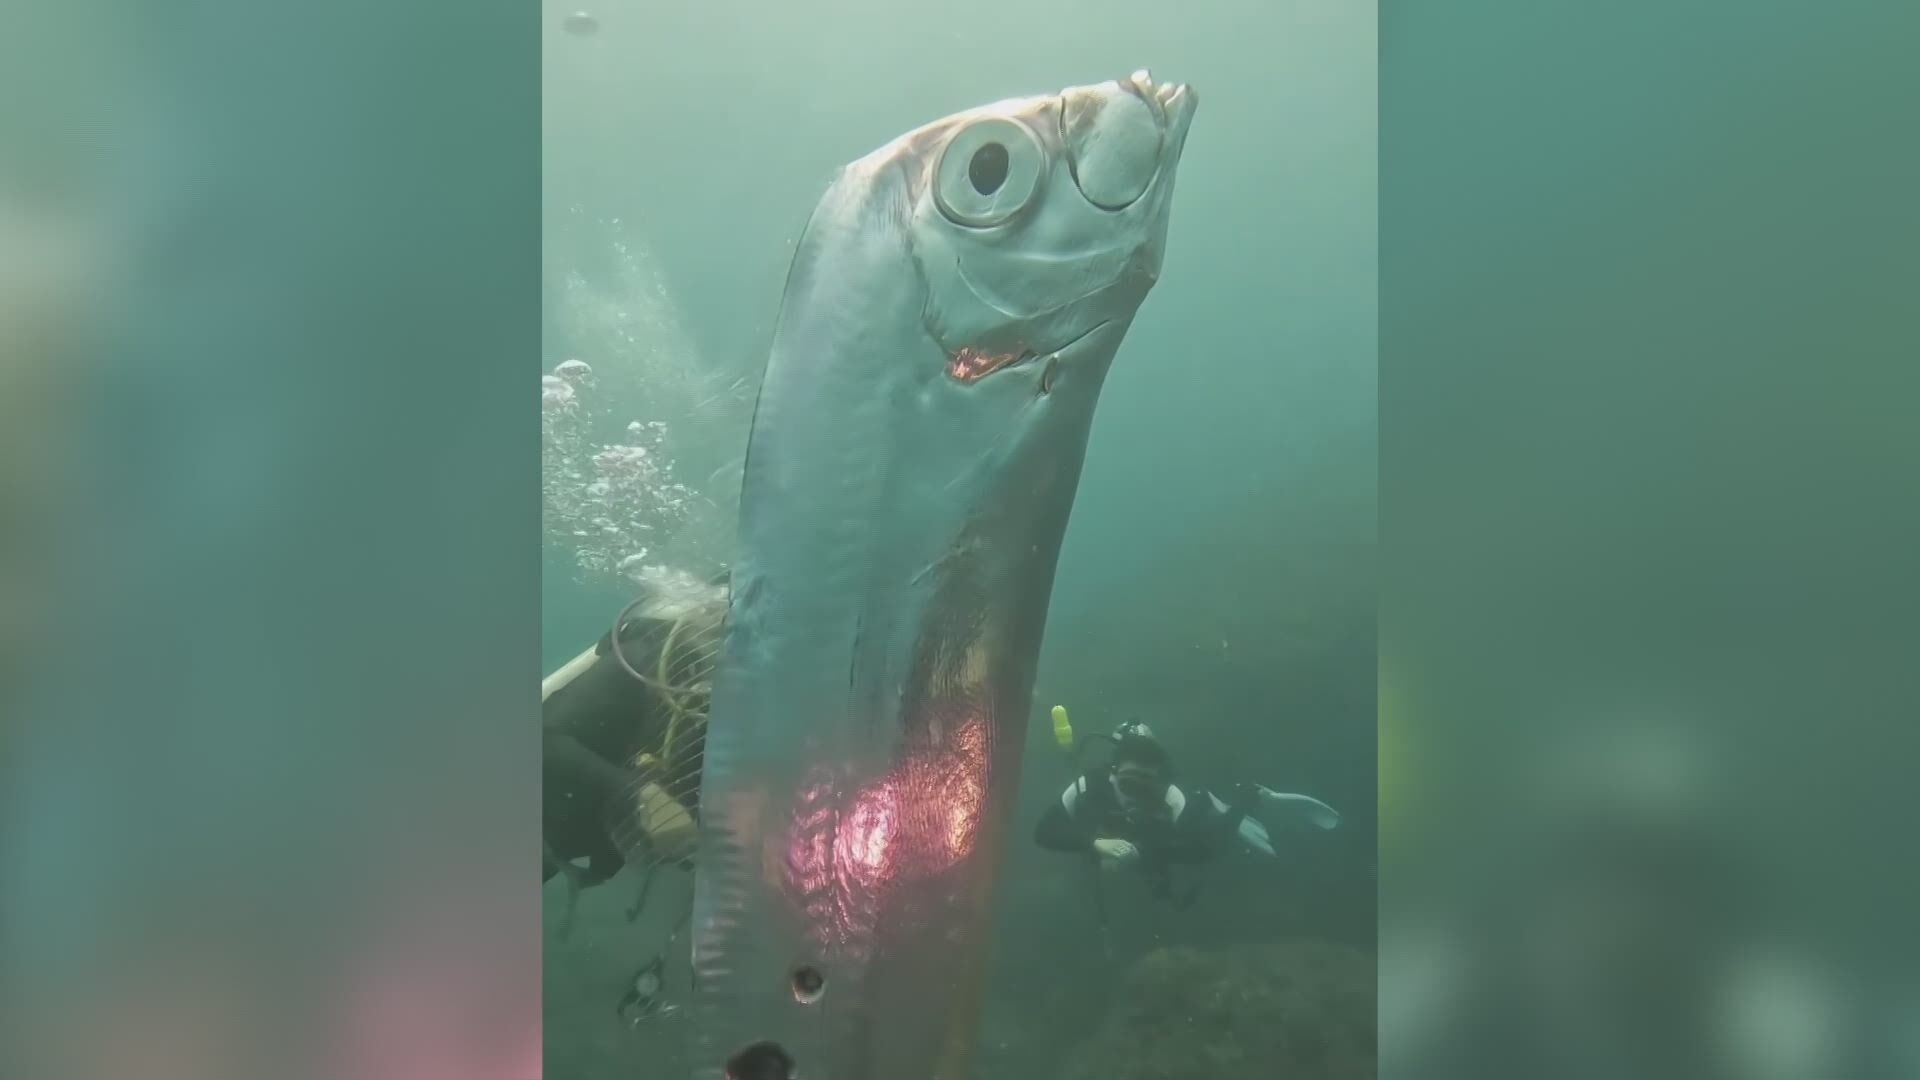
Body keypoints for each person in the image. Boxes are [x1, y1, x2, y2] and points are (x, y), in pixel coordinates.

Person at [1033, 721, 1341, 908]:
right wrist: (1095, 843)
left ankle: (1250, 797)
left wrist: (1239, 811)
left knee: (1205, 826)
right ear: (1113, 772)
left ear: (1160, 779)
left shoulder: (1173, 800)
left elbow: (1207, 849)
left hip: (1164, 842)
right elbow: (1045, 832)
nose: (1135, 794)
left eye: (1146, 785)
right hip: (1119, 846)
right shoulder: (1090, 787)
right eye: (1129, 783)